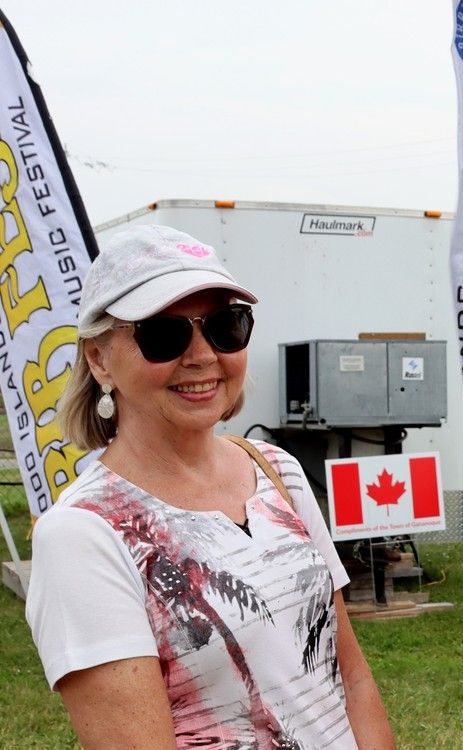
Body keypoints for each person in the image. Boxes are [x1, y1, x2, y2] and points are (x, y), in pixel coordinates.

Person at [26, 224, 395, 749]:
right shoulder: (83, 535)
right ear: (99, 358)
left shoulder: (274, 470)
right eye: (163, 334)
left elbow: (351, 679)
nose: (202, 355)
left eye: (226, 326)